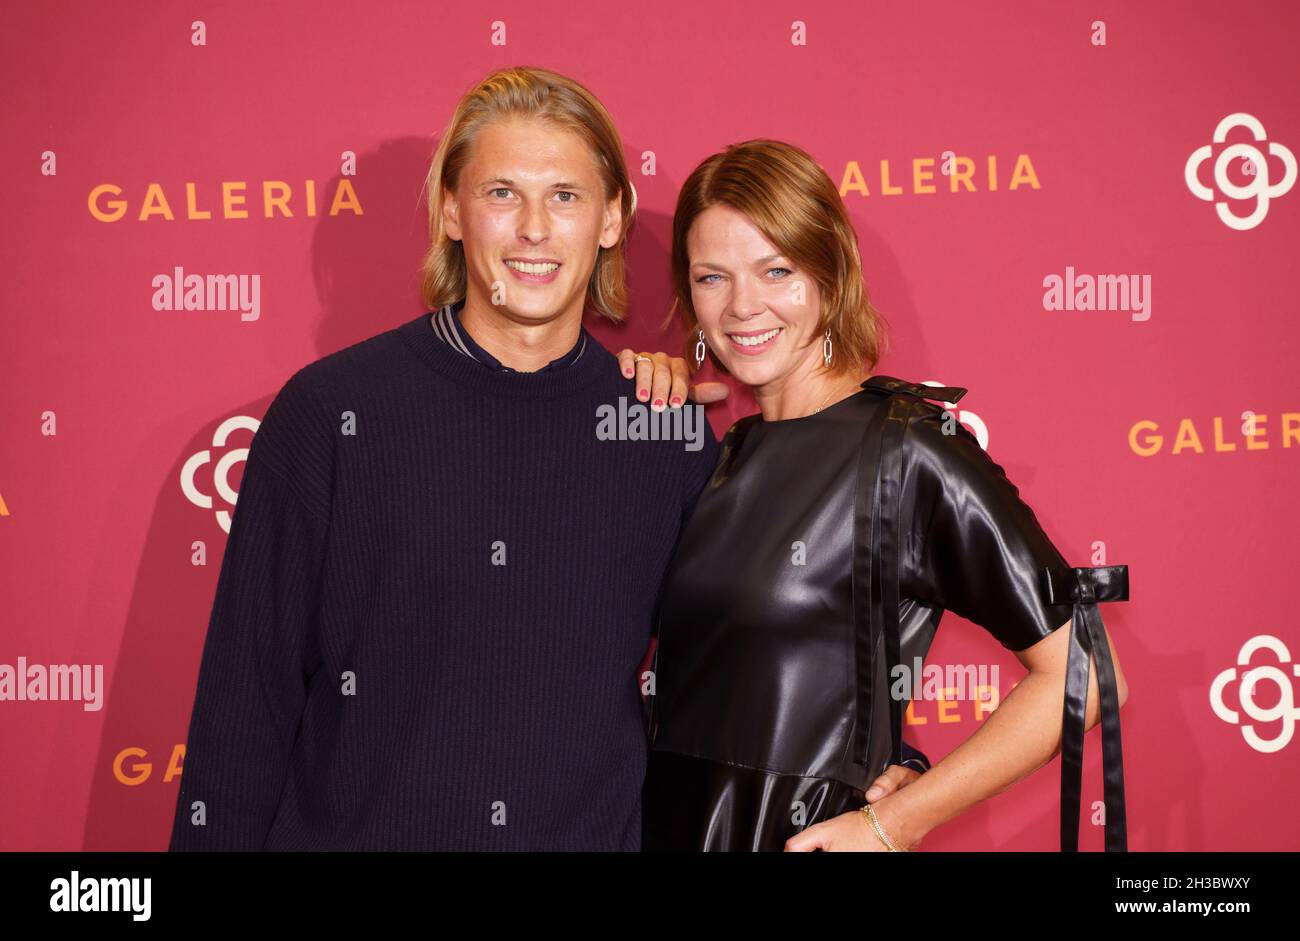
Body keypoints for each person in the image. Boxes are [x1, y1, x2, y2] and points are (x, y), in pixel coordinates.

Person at [168, 67, 927, 851]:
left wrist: (878, 759)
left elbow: (744, 657)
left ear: (610, 220)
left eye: (565, 195)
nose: (534, 227)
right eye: (502, 194)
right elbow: (244, 701)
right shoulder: (330, 414)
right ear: (453, 213)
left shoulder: (660, 430)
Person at [641, 139, 1131, 852]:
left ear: (829, 274)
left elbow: (1089, 676)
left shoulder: (905, 450)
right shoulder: (720, 454)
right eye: (712, 277)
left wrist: (892, 822)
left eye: (776, 270)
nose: (742, 305)